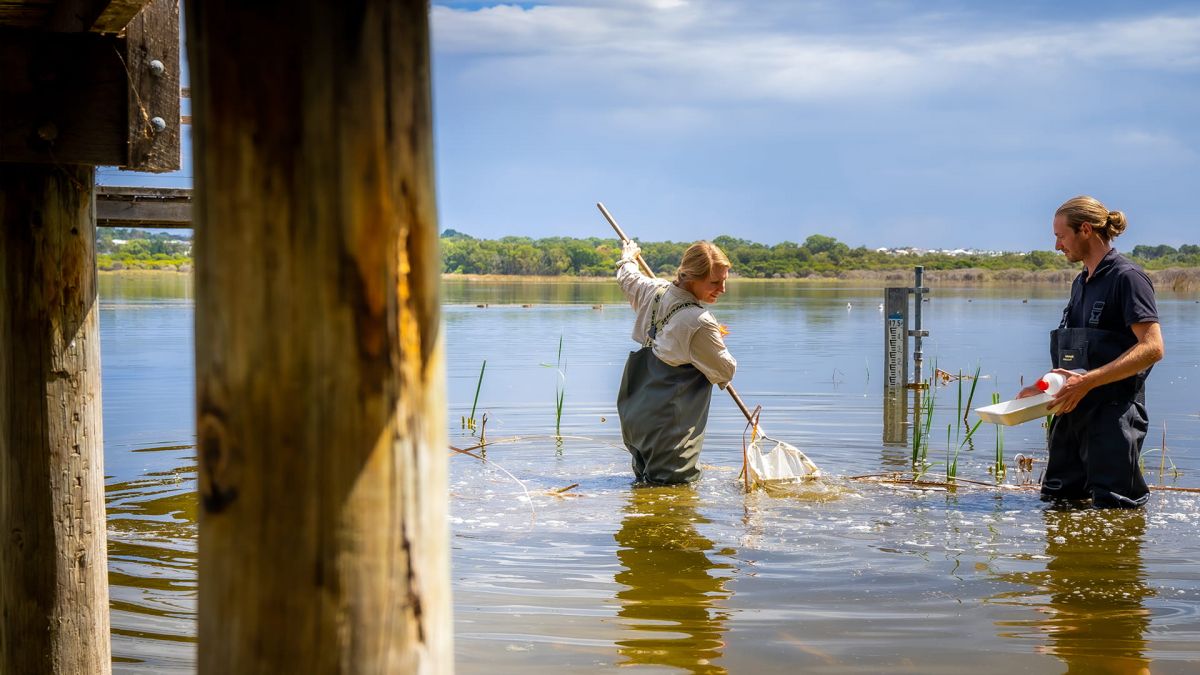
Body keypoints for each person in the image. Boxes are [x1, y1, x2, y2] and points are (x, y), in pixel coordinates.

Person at [1016, 196, 1164, 508]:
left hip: (1114, 415)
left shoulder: (1128, 278)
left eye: (1060, 236)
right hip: (1071, 412)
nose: (1057, 245)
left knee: (1117, 509)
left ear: (1085, 230)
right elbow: (1077, 360)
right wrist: (1043, 386)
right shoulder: (1081, 282)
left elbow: (1152, 348)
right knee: (1059, 502)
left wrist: (1088, 382)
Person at [615, 240, 736, 484]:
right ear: (691, 277)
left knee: (646, 491)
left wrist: (628, 256)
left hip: (636, 421)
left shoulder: (654, 290)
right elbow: (725, 371)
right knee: (674, 493)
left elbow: (628, 277)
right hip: (669, 431)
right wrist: (711, 339)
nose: (722, 288)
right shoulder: (700, 321)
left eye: (724, 280)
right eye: (714, 282)